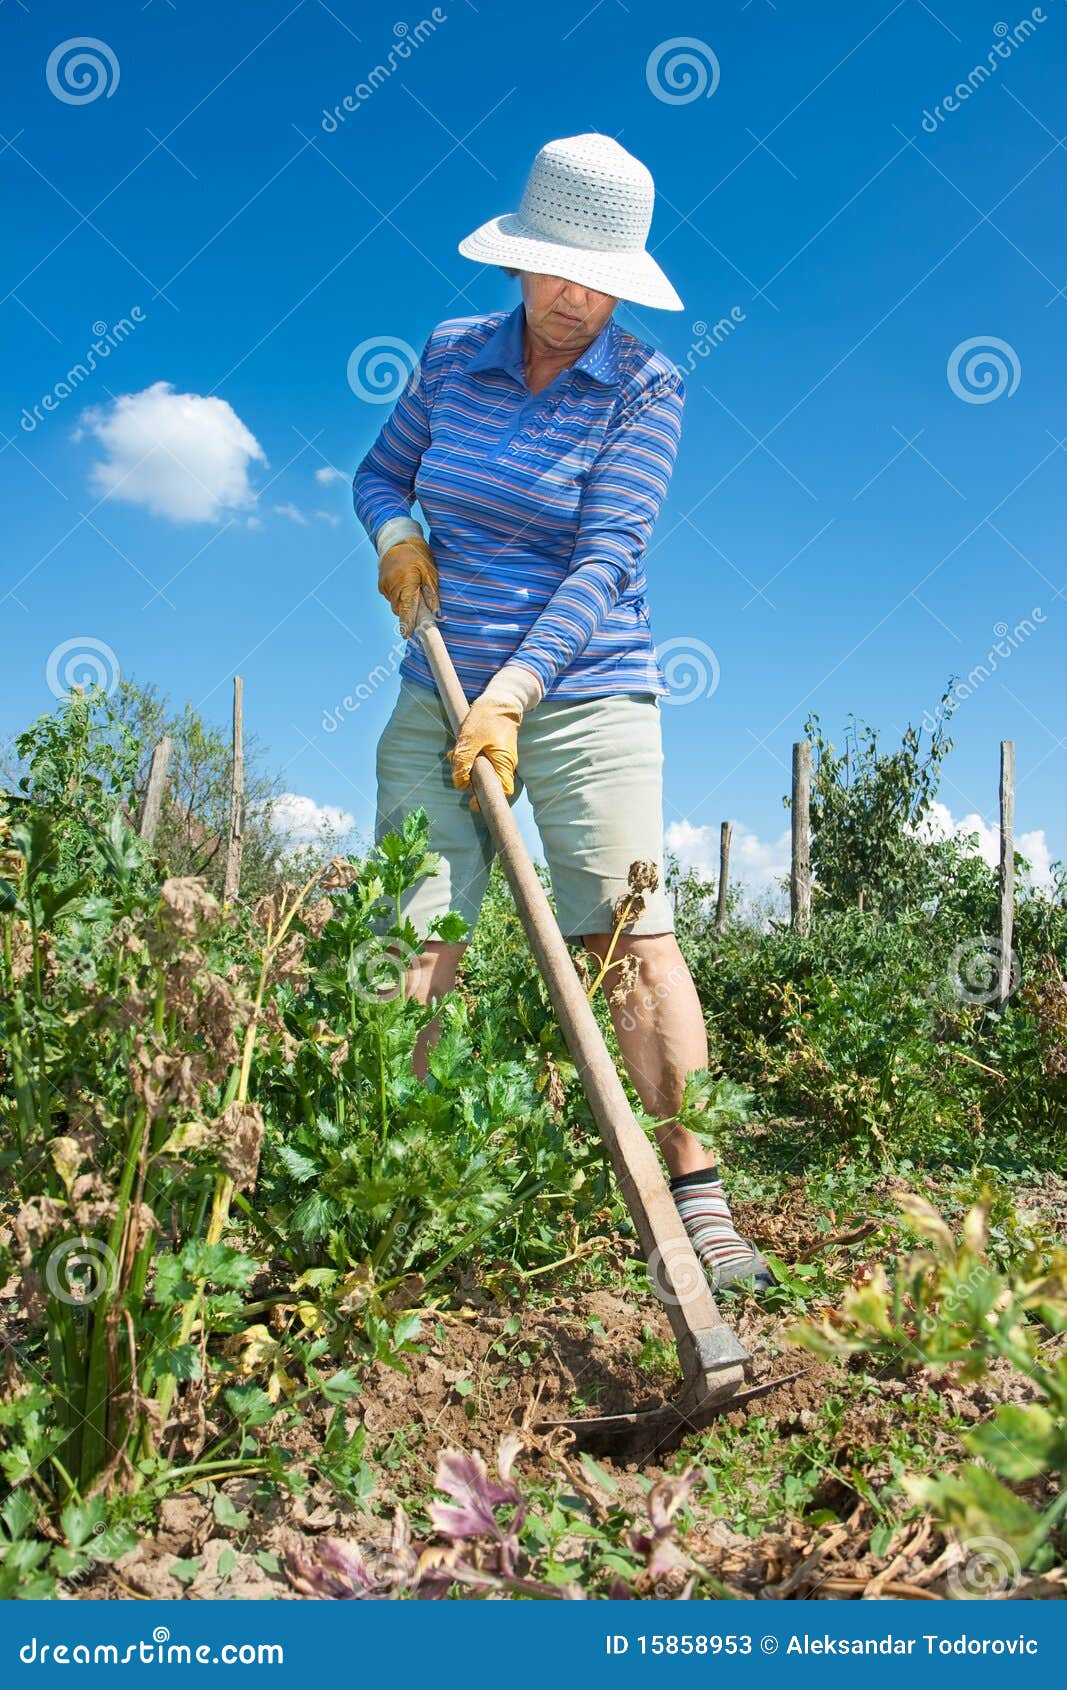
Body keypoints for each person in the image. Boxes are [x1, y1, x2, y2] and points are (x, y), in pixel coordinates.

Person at [354, 134, 769, 1293]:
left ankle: (694, 1191)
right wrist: (397, 539)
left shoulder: (645, 386)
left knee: (622, 929)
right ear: (519, 262)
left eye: (599, 280)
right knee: (415, 922)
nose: (574, 299)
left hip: (584, 689)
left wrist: (516, 690)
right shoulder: (447, 358)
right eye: (554, 271)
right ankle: (402, 1172)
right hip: (436, 686)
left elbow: (604, 560)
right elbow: (379, 473)